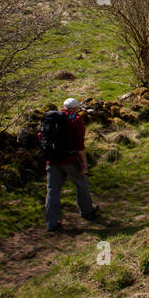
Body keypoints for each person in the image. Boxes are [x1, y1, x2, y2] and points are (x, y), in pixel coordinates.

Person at [41, 97, 99, 231]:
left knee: (52, 190)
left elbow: (41, 136)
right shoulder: (75, 121)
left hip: (52, 160)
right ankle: (87, 211)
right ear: (76, 108)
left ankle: (51, 223)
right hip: (70, 160)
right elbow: (80, 145)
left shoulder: (51, 119)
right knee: (81, 184)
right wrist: (84, 162)